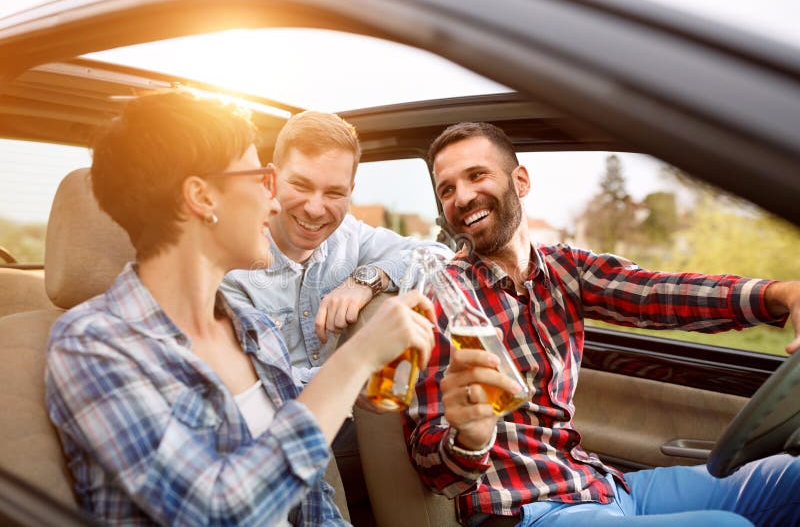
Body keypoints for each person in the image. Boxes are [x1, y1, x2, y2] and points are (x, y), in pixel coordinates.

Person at [45, 90, 436, 526]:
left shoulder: (249, 330)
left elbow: (312, 501)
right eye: (259, 180)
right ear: (202, 196)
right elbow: (218, 511)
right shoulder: (93, 345)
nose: (273, 202)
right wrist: (357, 357)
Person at [403, 122, 800, 527]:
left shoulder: (566, 268)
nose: (463, 197)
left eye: (476, 175)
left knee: (794, 477)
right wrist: (468, 437)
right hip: (527, 512)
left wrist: (783, 295)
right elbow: (431, 462)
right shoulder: (441, 298)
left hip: (600, 486)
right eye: (446, 189)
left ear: (519, 181)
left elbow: (658, 294)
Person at [220, 110, 452, 523]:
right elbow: (261, 392)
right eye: (301, 185)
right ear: (271, 178)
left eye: (334, 192)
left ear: (351, 191)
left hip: (366, 432)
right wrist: (350, 373)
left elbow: (437, 256)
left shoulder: (350, 237)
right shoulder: (233, 266)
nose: (315, 208)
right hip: (284, 436)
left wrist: (368, 279)